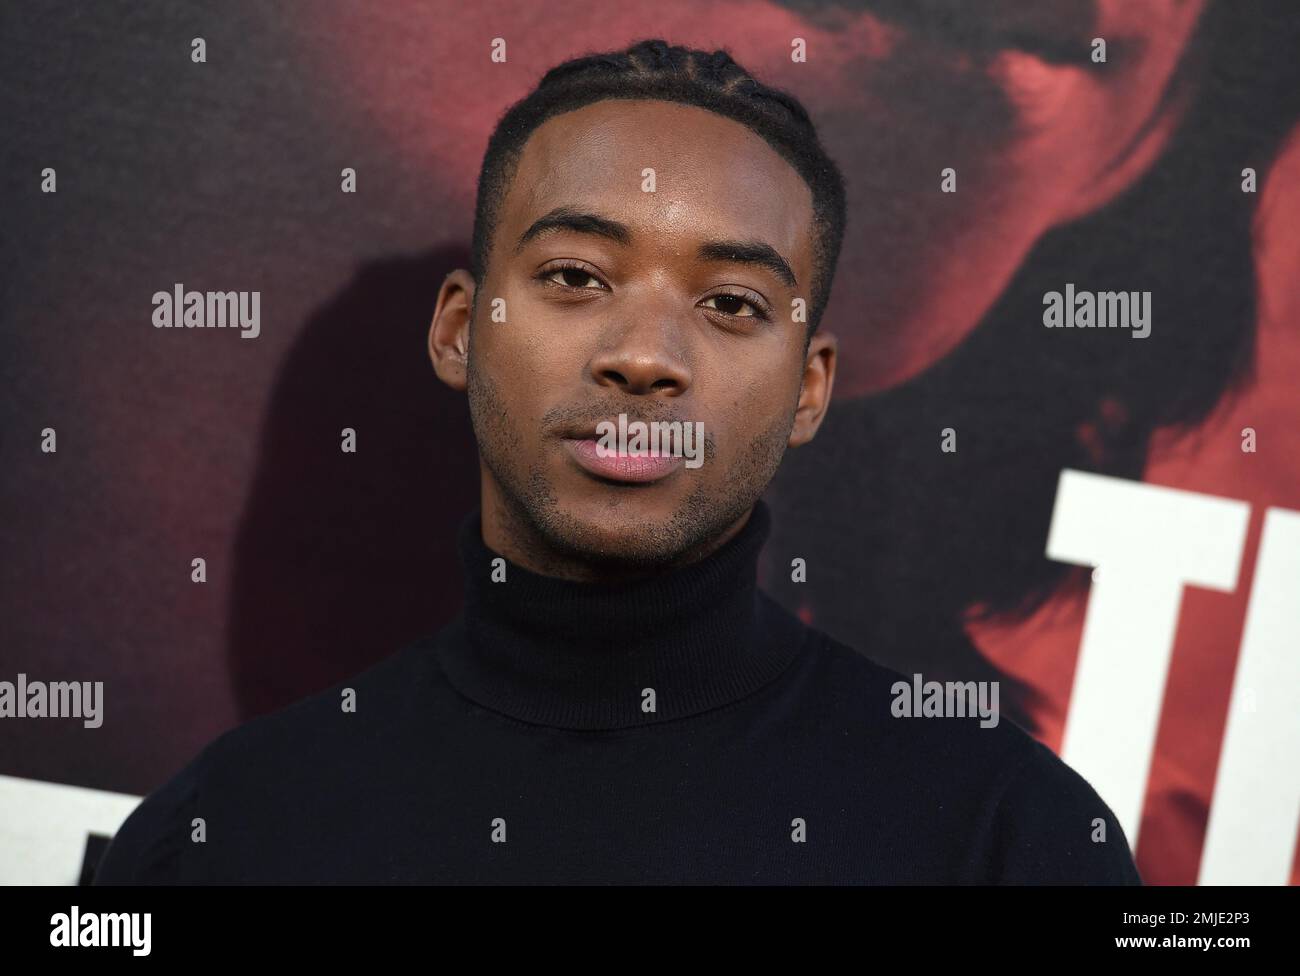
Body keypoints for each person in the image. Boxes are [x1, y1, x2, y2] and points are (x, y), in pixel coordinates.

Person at [94, 39, 1139, 884]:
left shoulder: (1002, 836)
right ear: (460, 330)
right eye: (576, 275)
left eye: (731, 303)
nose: (643, 357)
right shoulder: (223, 833)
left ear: (809, 387)